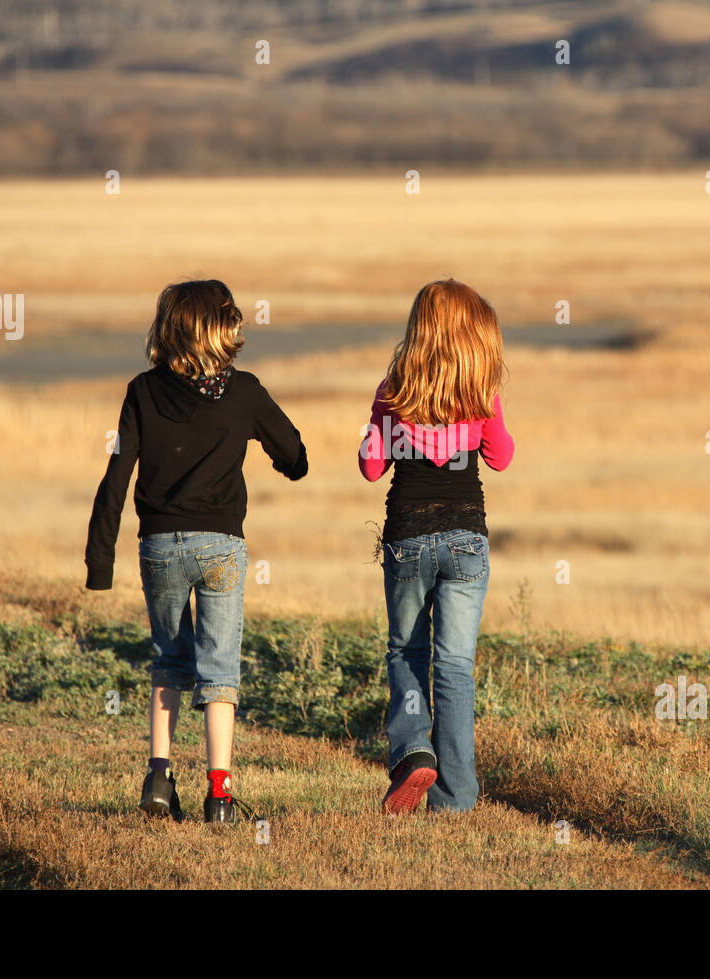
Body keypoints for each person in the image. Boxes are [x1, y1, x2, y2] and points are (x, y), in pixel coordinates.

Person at [85, 279, 308, 823]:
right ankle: (219, 793)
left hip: (157, 545)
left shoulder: (141, 391)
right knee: (219, 671)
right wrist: (283, 459)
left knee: (169, 661)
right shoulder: (245, 390)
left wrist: (99, 560)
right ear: (220, 330)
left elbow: (117, 476)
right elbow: (295, 455)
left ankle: (159, 779)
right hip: (221, 547)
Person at [359, 278, 514, 814]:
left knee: (406, 651)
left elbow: (372, 466)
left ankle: (414, 749)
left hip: (407, 538)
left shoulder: (394, 388)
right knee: (454, 665)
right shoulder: (479, 391)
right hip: (467, 538)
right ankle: (456, 799)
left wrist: (377, 427)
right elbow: (502, 457)